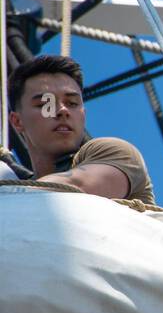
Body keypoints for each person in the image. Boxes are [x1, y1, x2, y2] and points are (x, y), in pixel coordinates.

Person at [6, 54, 155, 204]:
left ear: (83, 114)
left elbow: (75, 187)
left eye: (72, 103)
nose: (63, 110)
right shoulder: (17, 194)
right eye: (46, 104)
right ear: (17, 121)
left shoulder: (116, 152)